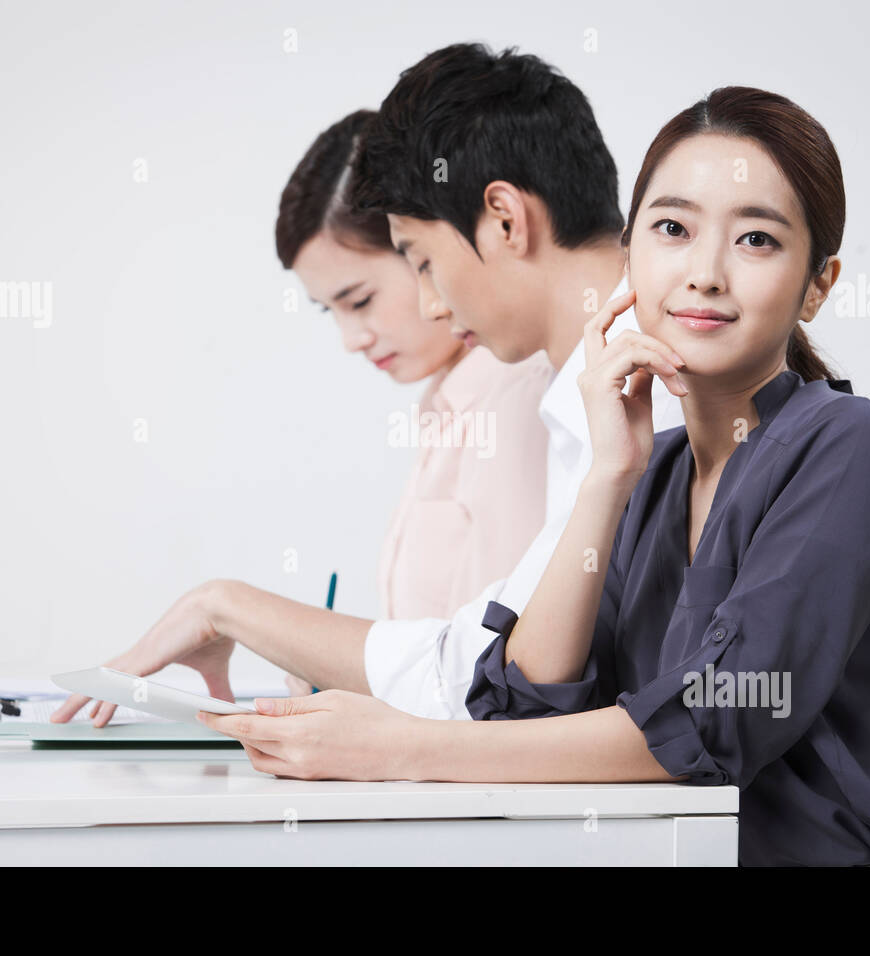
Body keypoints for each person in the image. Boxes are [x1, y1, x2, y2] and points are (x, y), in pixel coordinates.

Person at [203, 87, 870, 868]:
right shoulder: (650, 471)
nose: (704, 273)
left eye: (757, 240)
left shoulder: (853, 447)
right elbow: (526, 701)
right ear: (630, 257)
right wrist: (607, 477)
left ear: (817, 287)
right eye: (672, 229)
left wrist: (398, 748)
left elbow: (716, 722)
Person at [51, 43, 684, 727]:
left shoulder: (649, 386)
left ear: (505, 219)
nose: (433, 305)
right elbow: (509, 670)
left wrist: (231, 609)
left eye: (421, 262)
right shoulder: (590, 393)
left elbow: (507, 685)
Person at [275, 110, 552, 696]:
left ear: (423, 246)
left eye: (361, 300)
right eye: (331, 311)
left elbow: (507, 669)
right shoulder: (452, 401)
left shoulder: (515, 395)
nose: (352, 339)